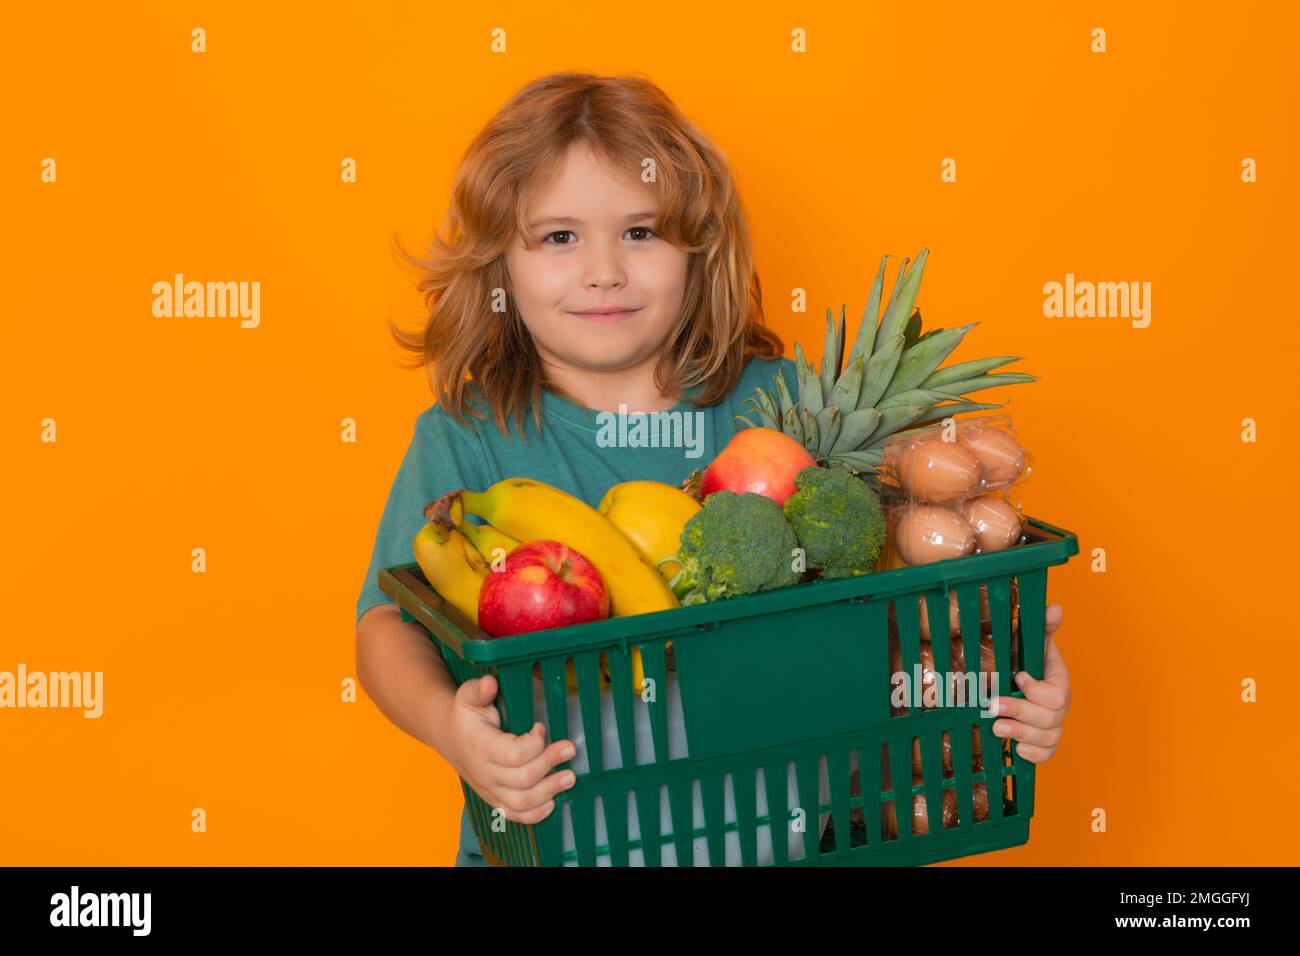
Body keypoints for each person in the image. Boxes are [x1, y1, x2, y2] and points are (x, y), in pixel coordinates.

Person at [353, 71, 1070, 867]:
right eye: (559, 237)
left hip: (777, 837)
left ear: (701, 251)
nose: (603, 271)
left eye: (641, 232)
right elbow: (386, 627)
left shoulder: (786, 413)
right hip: (555, 838)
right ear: (499, 267)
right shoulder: (471, 443)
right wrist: (450, 725)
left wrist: (1003, 677)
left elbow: (896, 613)